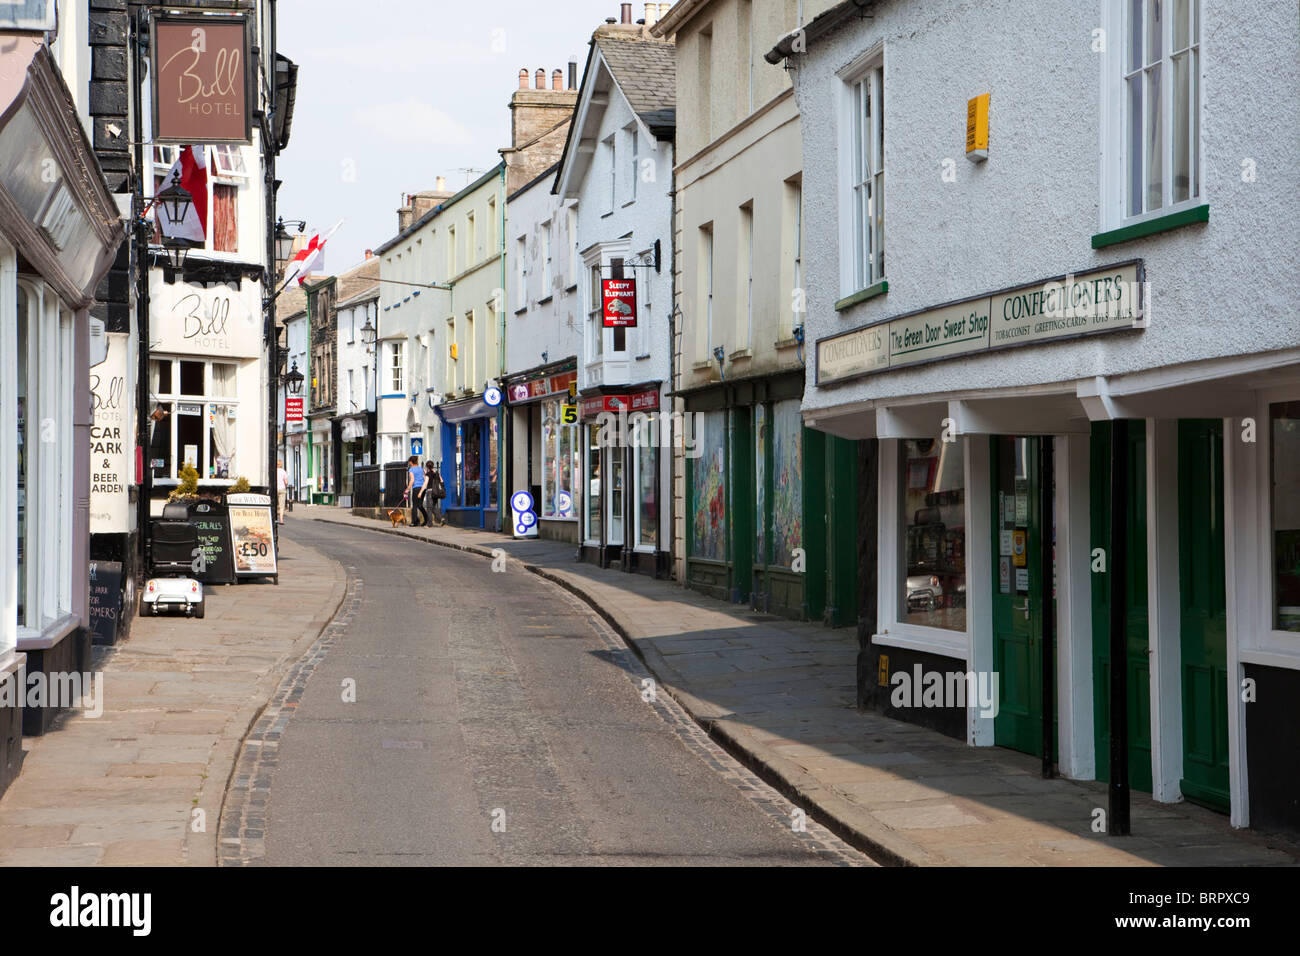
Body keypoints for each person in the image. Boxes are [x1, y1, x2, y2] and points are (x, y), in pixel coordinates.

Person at [405, 455, 428, 527]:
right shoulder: (421, 468)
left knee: (414, 505)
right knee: (420, 505)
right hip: (423, 488)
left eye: (409, 462)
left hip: (416, 488)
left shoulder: (411, 470)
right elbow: (424, 477)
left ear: (411, 462)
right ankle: (426, 519)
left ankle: (415, 522)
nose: (409, 463)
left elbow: (412, 480)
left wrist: (408, 489)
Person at [424, 460, 446, 526]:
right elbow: (442, 480)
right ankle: (441, 519)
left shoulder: (428, 474)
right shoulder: (436, 473)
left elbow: (426, 483)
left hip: (430, 492)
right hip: (436, 492)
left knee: (429, 508)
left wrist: (420, 492)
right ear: (433, 466)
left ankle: (429, 524)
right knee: (433, 507)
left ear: (427, 467)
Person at [276, 460, 289, 525]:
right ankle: (281, 520)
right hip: (282, 489)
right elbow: (286, 482)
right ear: (281, 464)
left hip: (275, 489)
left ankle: (273, 518)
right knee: (281, 506)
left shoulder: (274, 471)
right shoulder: (283, 471)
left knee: (274, 504)